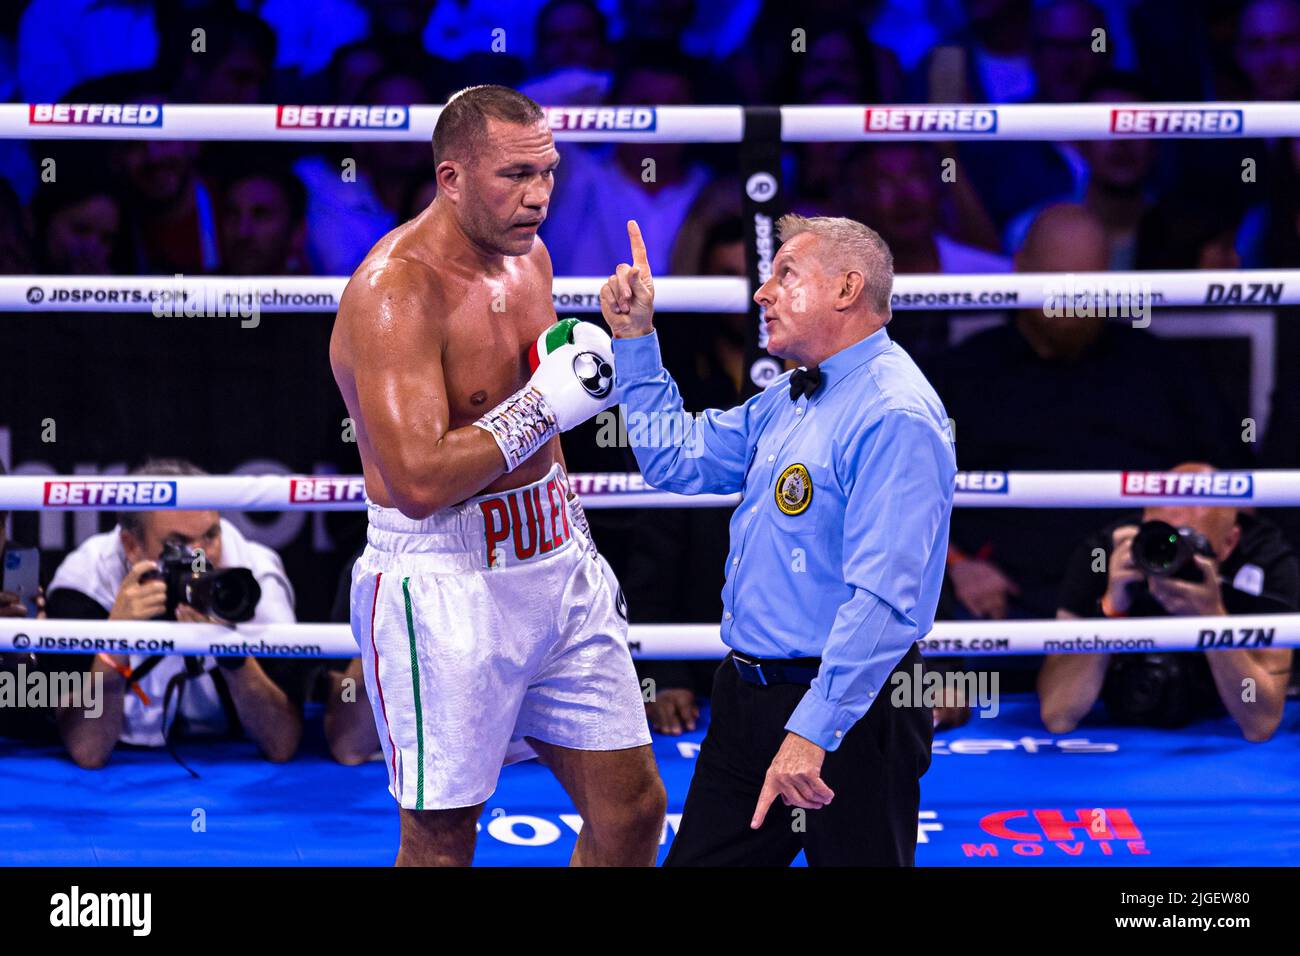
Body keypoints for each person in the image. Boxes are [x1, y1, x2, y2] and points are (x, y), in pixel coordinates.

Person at [329, 85, 665, 867]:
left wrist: (570, 520)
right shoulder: (395, 294)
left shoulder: (530, 257)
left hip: (553, 559)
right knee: (443, 840)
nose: (539, 195)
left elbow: (537, 435)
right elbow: (418, 479)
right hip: (445, 580)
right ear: (450, 178)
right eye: (515, 175)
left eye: (547, 172)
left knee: (634, 810)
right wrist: (544, 406)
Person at [602, 214, 955, 865]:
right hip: (746, 699)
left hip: (849, 712)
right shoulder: (793, 394)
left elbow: (884, 601)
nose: (762, 293)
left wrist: (814, 730)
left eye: (785, 274)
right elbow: (677, 459)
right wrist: (634, 340)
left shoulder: (893, 414)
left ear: (848, 289)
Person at [43, 459, 301, 769]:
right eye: (177, 544)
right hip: (124, 780)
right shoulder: (85, 583)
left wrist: (233, 653)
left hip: (228, 768)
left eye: (210, 536)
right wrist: (114, 642)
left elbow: (282, 744)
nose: (198, 558)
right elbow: (88, 750)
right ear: (131, 545)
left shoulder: (254, 579)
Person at [1041, 462, 1297, 742]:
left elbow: (1259, 723)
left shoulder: (1267, 563)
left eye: (1188, 540)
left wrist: (1213, 620)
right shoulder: (1103, 555)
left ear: (1229, 542)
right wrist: (1113, 610)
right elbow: (1058, 715)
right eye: (1162, 535)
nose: (1171, 550)